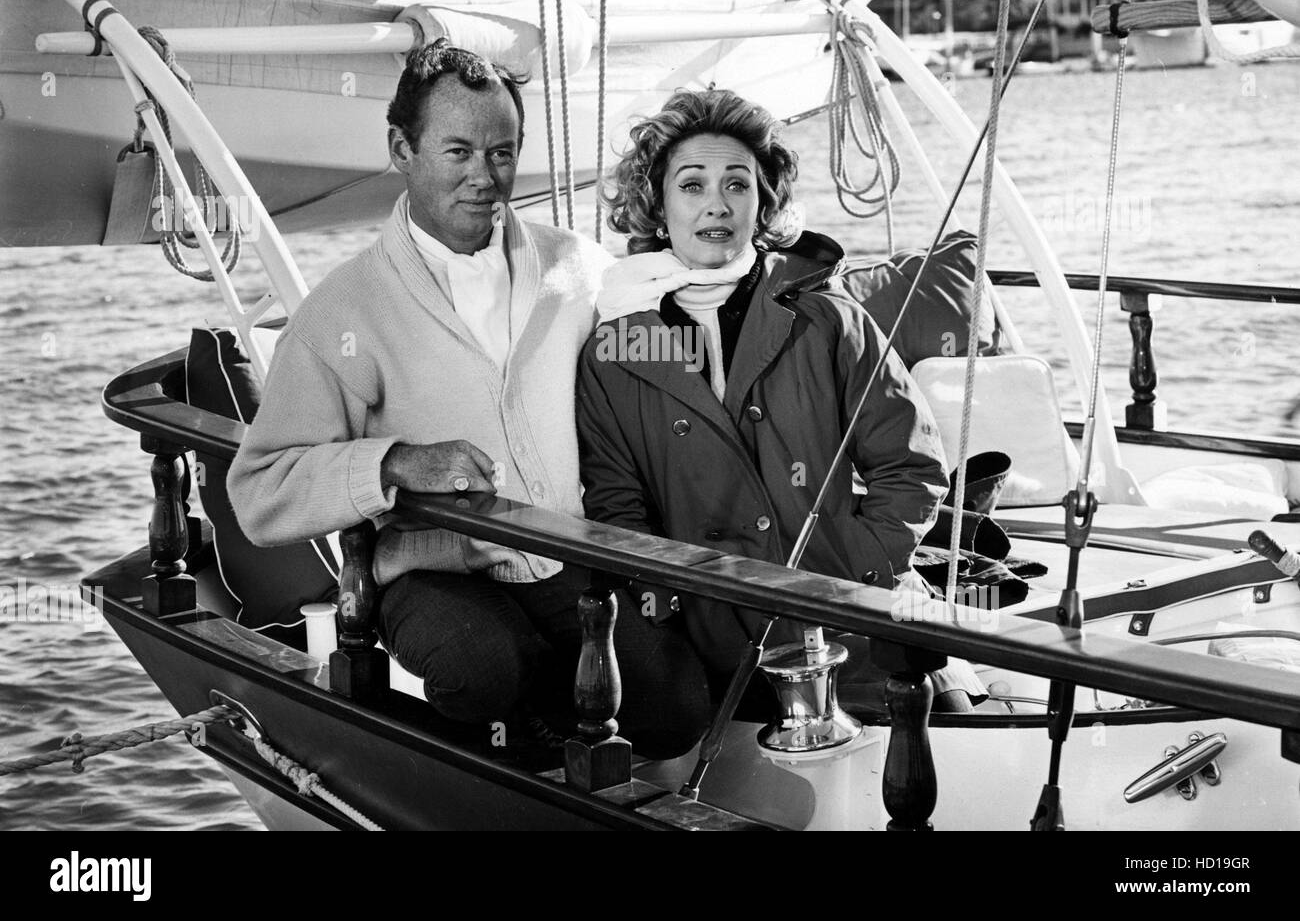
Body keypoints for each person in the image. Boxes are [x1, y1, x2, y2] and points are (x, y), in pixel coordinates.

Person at [228, 41, 710, 754]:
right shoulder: (341, 311)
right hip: (428, 570)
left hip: (562, 552)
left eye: (503, 154)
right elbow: (260, 491)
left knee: (676, 710)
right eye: (458, 153)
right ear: (402, 148)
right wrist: (392, 464)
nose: (485, 178)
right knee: (487, 669)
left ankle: (544, 735)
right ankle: (530, 742)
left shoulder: (575, 266)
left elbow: (660, 351)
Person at [576, 87, 983, 710]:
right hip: (717, 642)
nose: (717, 205)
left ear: (762, 202)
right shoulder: (615, 348)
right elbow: (617, 510)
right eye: (692, 185)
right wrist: (679, 605)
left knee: (955, 732)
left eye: (737, 185)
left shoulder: (825, 316)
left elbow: (912, 465)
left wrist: (857, 562)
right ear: (657, 204)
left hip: (857, 614)